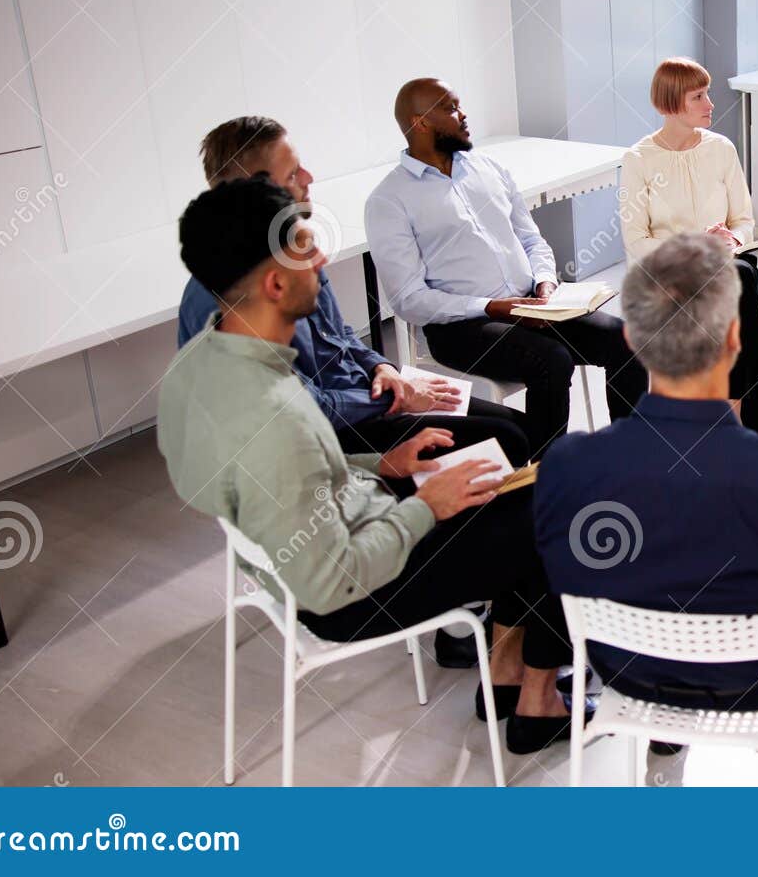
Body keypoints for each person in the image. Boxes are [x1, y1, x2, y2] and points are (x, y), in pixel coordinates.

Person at [158, 177, 583, 755]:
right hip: (354, 593)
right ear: (276, 282)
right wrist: (423, 507)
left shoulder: (197, 364)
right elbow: (333, 584)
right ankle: (537, 702)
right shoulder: (279, 418)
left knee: (513, 483)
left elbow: (255, 482)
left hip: (339, 527)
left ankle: (510, 676)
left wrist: (377, 463)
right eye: (308, 248)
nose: (324, 258)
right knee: (557, 506)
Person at [180, 115, 532, 669]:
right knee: (500, 448)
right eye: (292, 174)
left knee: (510, 433)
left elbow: (342, 339)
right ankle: (467, 599)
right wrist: (391, 403)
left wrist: (385, 370)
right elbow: (297, 413)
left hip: (358, 414)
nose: (309, 179)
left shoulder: (286, 252)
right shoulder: (225, 301)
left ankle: (486, 591)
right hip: (339, 434)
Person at [535, 234, 758, 777]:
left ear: (633, 342)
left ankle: (664, 735)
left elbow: (566, 569)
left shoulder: (567, 467)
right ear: (736, 340)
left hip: (626, 672)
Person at [364, 78, 648, 459]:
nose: (463, 116)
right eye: (450, 108)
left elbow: (532, 240)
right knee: (551, 360)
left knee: (624, 339)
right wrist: (491, 307)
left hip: (533, 306)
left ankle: (631, 457)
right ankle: (547, 479)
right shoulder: (388, 200)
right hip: (462, 328)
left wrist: (546, 283)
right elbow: (409, 300)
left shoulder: (488, 168)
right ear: (421, 123)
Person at [620, 57, 758, 439]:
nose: (711, 105)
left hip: (724, 266)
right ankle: (743, 432)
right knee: (742, 301)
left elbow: (745, 221)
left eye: (707, 94)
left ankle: (727, 426)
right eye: (698, 97)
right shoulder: (638, 160)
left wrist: (730, 239)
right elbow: (635, 240)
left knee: (737, 278)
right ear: (670, 104)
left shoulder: (721, 149)